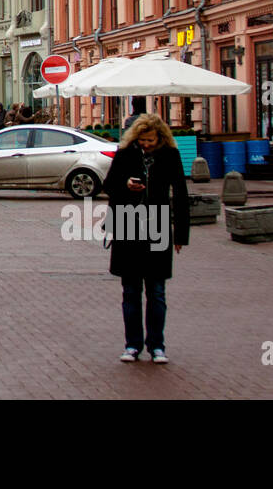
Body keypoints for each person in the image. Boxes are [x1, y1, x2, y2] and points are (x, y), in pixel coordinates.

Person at [103, 113, 190, 364]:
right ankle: (132, 345)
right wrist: (125, 184)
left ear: (160, 136)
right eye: (142, 140)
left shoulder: (170, 155)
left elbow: (181, 193)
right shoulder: (126, 153)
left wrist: (181, 234)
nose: (146, 144)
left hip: (158, 225)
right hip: (128, 225)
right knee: (130, 292)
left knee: (157, 291)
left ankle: (157, 346)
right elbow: (108, 186)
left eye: (150, 140)